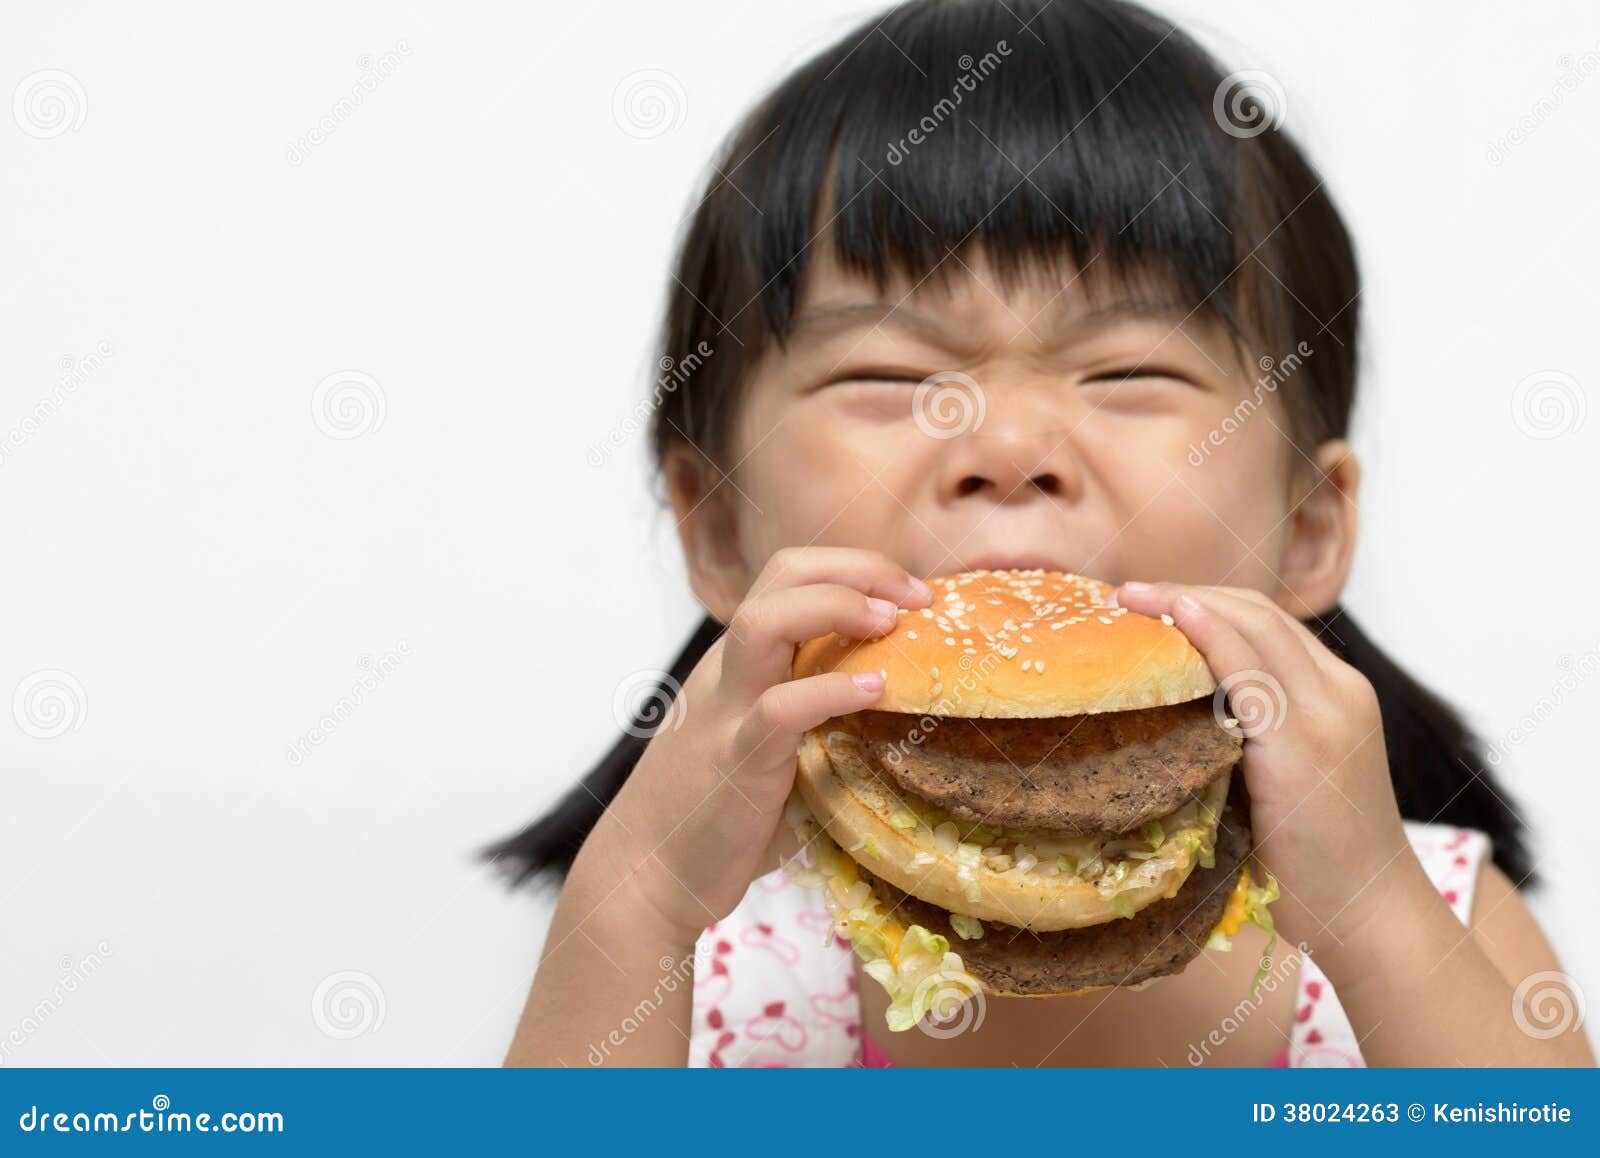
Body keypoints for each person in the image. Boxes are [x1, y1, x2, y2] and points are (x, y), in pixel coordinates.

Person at [496, 0, 1594, 1067]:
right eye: (887, 376)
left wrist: (1373, 918)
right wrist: (634, 902)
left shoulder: (1425, 910)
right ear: (717, 531)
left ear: (1307, 528)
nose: (1008, 441)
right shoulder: (695, 954)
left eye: (1127, 373)